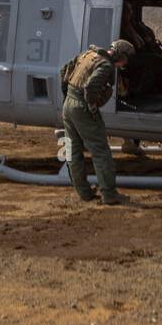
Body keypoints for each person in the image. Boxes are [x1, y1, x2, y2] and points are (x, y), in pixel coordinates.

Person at [60, 40, 135, 205]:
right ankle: (109, 194)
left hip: (69, 104)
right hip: (82, 106)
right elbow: (90, 87)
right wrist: (92, 107)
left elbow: (64, 70)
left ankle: (84, 192)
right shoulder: (106, 66)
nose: (124, 64)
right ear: (120, 56)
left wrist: (66, 98)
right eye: (125, 60)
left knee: (73, 150)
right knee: (101, 151)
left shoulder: (89, 54)